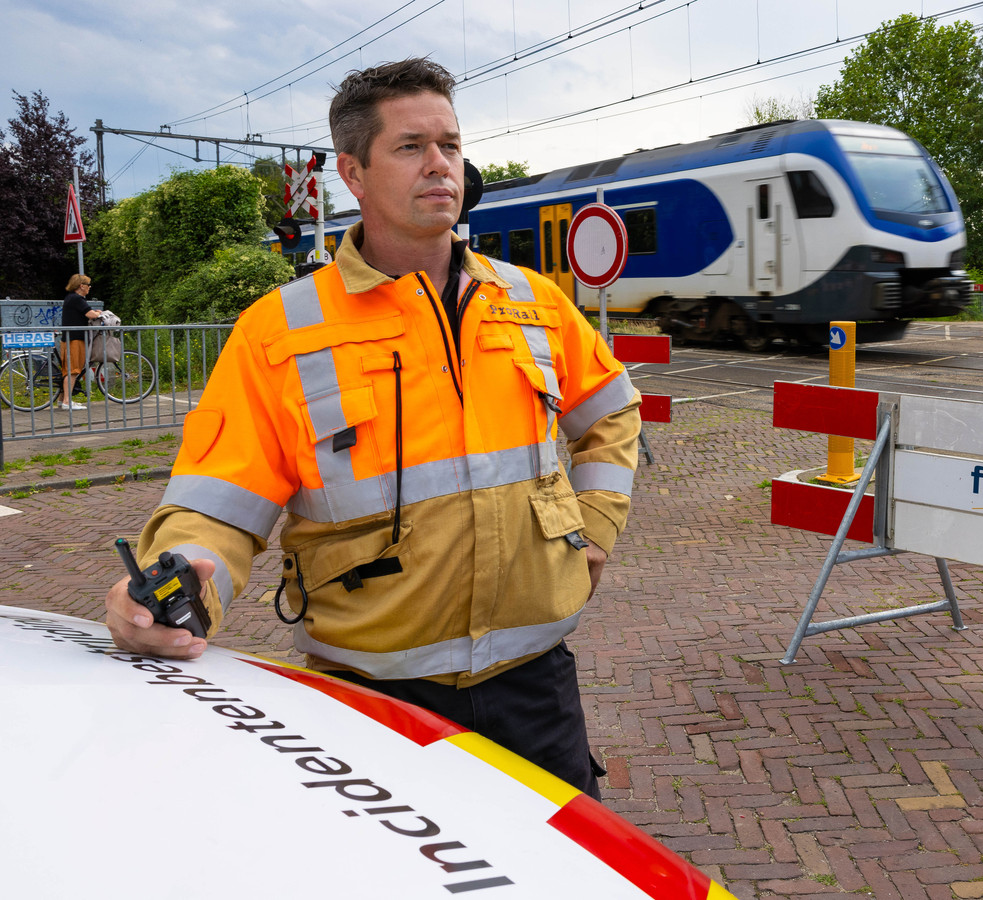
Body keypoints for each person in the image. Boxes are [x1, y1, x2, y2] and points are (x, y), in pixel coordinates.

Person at [104, 57, 641, 799]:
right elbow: (217, 499)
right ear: (353, 174)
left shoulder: (533, 301)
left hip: (536, 686)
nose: (440, 166)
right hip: (373, 697)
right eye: (411, 146)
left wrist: (596, 529)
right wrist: (188, 575)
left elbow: (611, 411)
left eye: (450, 145)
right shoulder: (281, 331)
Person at [59, 274, 100, 410]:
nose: (89, 288)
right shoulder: (77, 299)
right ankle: (66, 402)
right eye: (88, 285)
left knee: (67, 370)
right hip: (75, 339)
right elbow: (91, 315)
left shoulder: (70, 298)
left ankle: (62, 400)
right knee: (73, 371)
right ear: (81, 286)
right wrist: (100, 313)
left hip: (69, 338)